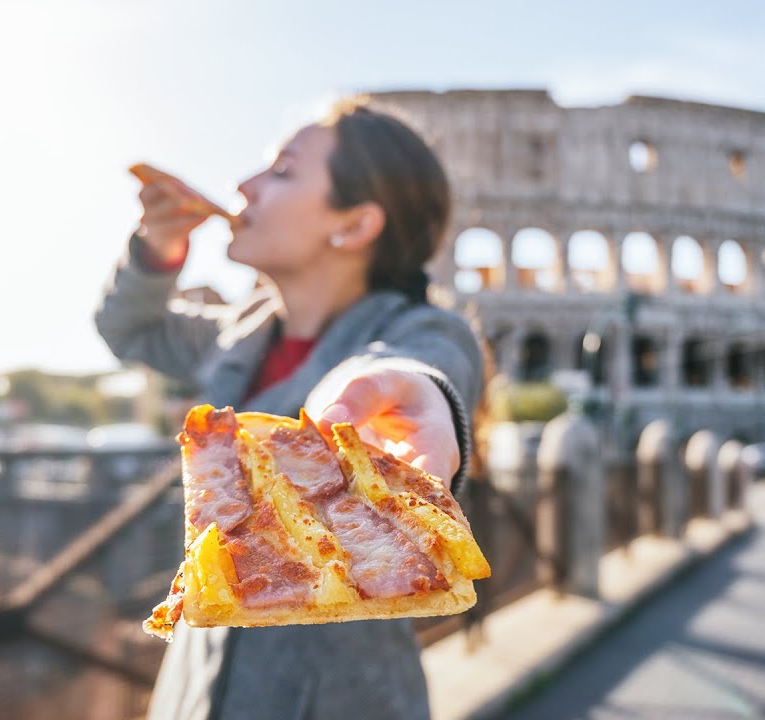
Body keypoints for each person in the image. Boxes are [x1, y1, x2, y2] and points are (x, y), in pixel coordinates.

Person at [95, 97, 484, 720]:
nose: (243, 186)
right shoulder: (239, 330)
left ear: (354, 226)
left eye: (280, 173)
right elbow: (128, 329)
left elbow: (416, 364)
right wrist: (158, 247)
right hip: (196, 690)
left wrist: (407, 390)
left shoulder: (421, 328)